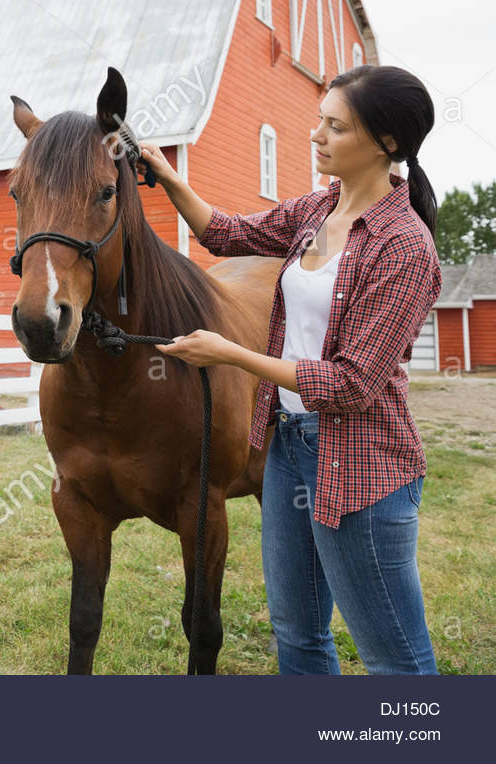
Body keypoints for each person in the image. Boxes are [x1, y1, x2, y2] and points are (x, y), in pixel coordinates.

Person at [135, 65, 442, 674]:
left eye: (335, 125)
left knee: (394, 661)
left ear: (387, 143)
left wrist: (231, 354)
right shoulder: (316, 210)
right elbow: (227, 234)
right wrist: (169, 177)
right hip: (289, 449)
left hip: (362, 464)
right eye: (319, 119)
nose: (315, 135)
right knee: (297, 634)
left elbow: (352, 384)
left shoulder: (404, 246)